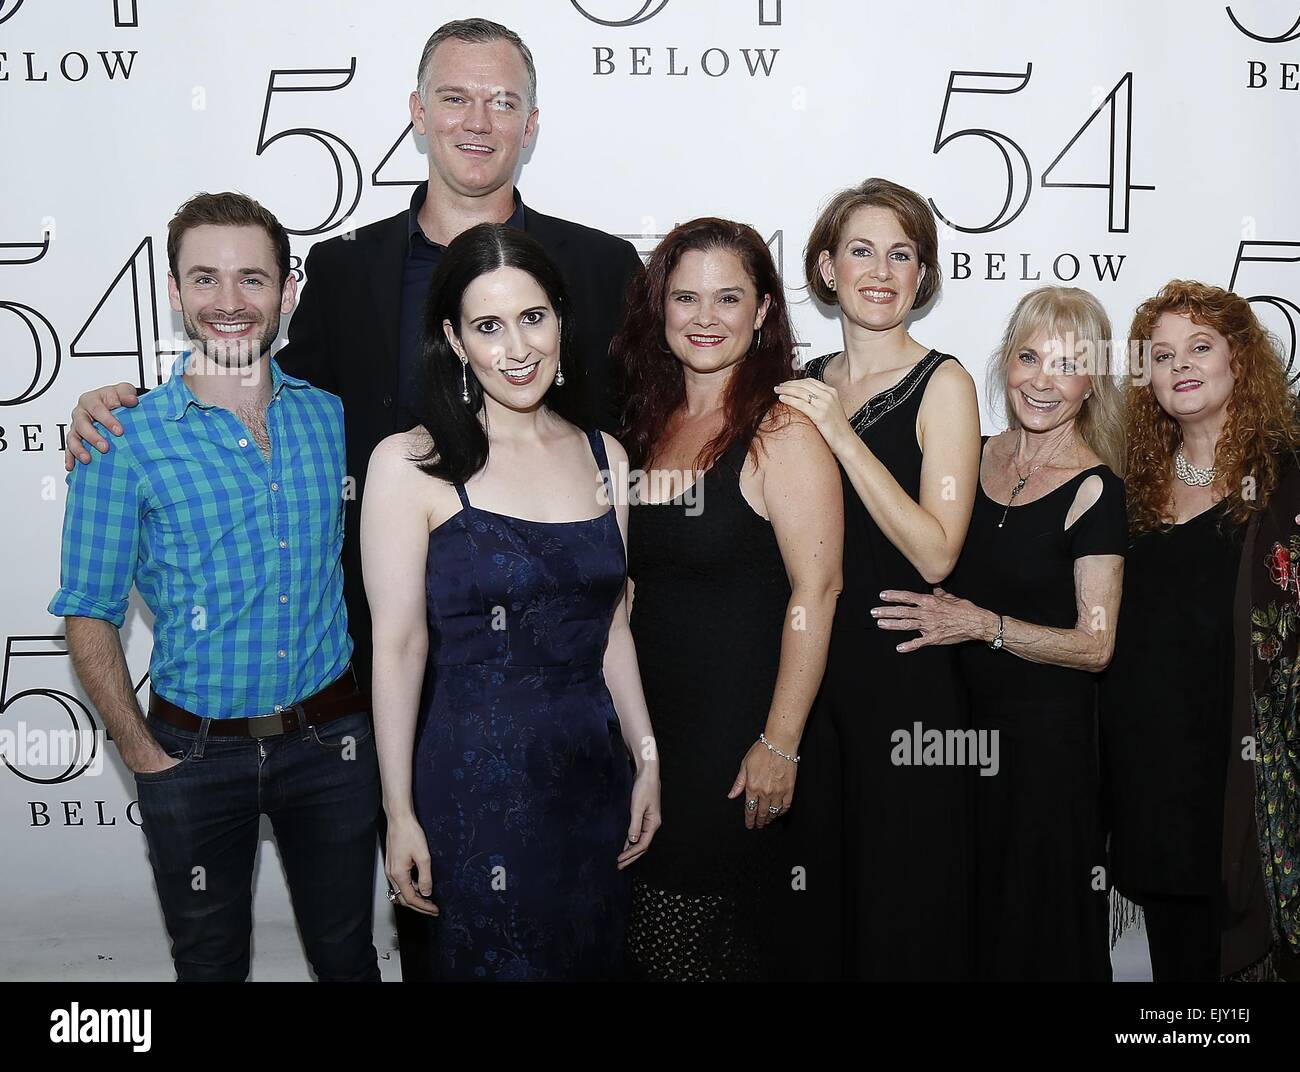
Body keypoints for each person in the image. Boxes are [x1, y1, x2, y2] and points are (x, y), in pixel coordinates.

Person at [60, 16, 644, 979]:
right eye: (454, 97)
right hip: (394, 678)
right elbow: (250, 379)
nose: (478, 120)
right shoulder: (342, 270)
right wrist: (114, 397)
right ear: (417, 114)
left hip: (561, 679)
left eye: (503, 100)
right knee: (429, 929)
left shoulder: (598, 267)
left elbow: (645, 439)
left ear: (532, 123)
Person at [49, 192, 380, 982]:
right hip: (192, 758)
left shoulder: (332, 417)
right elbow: (88, 612)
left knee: (347, 959)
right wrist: (141, 752)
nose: (230, 304)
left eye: (252, 280)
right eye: (205, 279)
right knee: (208, 966)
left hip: (333, 746)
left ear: (288, 291)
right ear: (173, 291)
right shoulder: (118, 438)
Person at [361, 223, 660, 981]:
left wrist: (647, 756)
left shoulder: (605, 455)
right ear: (456, 342)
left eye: (533, 318)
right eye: (488, 327)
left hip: (593, 777)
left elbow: (612, 625)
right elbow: (398, 648)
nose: (517, 348)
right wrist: (398, 812)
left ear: (561, 319)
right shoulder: (411, 464)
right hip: (476, 786)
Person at [873, 286, 1125, 980]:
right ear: (1005, 363)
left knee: (1034, 933)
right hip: (955, 737)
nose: (1042, 380)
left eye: (1067, 364)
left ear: (1094, 381)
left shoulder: (1095, 491)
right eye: (1029, 356)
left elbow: (1096, 644)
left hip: (1047, 755)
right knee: (963, 923)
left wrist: (985, 626)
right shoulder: (974, 452)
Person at [613, 218, 842, 980]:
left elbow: (819, 589)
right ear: (660, 308)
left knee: (682, 942)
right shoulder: (647, 425)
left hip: (730, 746)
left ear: (764, 313)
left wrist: (780, 743)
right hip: (646, 732)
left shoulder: (782, 430)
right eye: (685, 298)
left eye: (728, 298)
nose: (705, 318)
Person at [775, 177, 981, 980]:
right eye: (861, 249)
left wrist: (838, 431)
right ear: (827, 268)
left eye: (903, 253)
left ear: (922, 275)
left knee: (905, 917)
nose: (882, 269)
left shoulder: (947, 385)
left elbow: (936, 553)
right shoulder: (801, 377)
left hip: (907, 685)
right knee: (818, 914)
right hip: (812, 682)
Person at [1101, 279, 1300, 981]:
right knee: (1177, 973)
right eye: (1161, 354)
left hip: (1254, 780)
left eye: (1200, 346)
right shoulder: (1128, 488)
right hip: (1152, 776)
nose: (1181, 364)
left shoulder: (1286, 479)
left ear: (1237, 360)